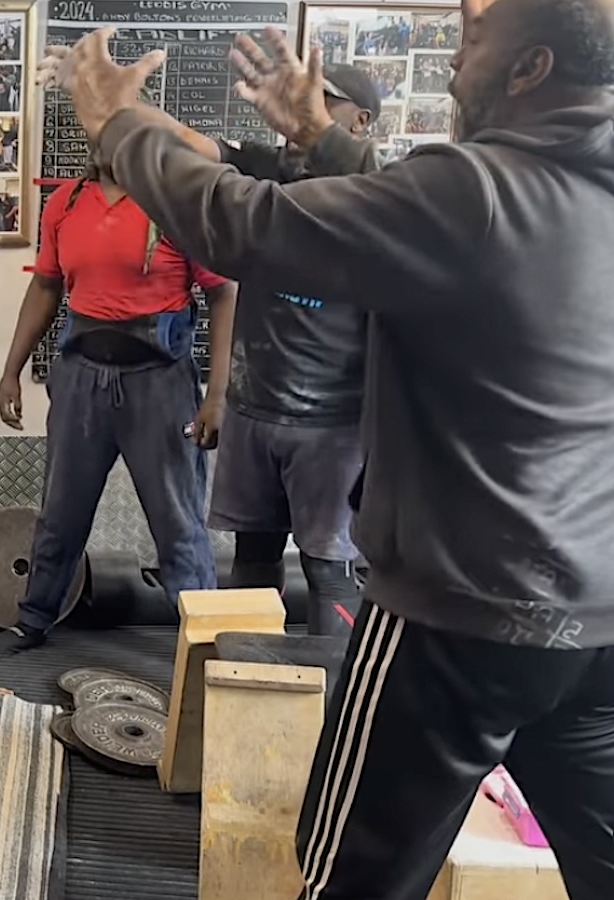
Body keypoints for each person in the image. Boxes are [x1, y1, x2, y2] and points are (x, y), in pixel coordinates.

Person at [53, 0, 614, 895]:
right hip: (595, 622)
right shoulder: (575, 187)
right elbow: (457, 229)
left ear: (530, 68)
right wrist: (324, 139)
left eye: (478, 34)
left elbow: (247, 228)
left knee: (349, 876)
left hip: (456, 620)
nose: (462, 41)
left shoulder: (476, 190)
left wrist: (117, 125)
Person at [0, 156, 236, 660]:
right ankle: (33, 621)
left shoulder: (177, 202)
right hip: (81, 382)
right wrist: (11, 369)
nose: (104, 139)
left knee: (178, 522)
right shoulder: (66, 202)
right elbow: (47, 286)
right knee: (61, 512)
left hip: (159, 384)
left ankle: (206, 646)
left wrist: (217, 394)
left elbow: (224, 293)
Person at [178, 43, 382, 635]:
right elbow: (194, 147)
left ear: (359, 122)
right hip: (255, 411)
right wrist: (114, 110)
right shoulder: (270, 167)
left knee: (330, 571)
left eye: (319, 105)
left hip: (333, 427)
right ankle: (249, 704)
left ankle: (332, 713)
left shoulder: (387, 198)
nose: (299, 117)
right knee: (252, 567)